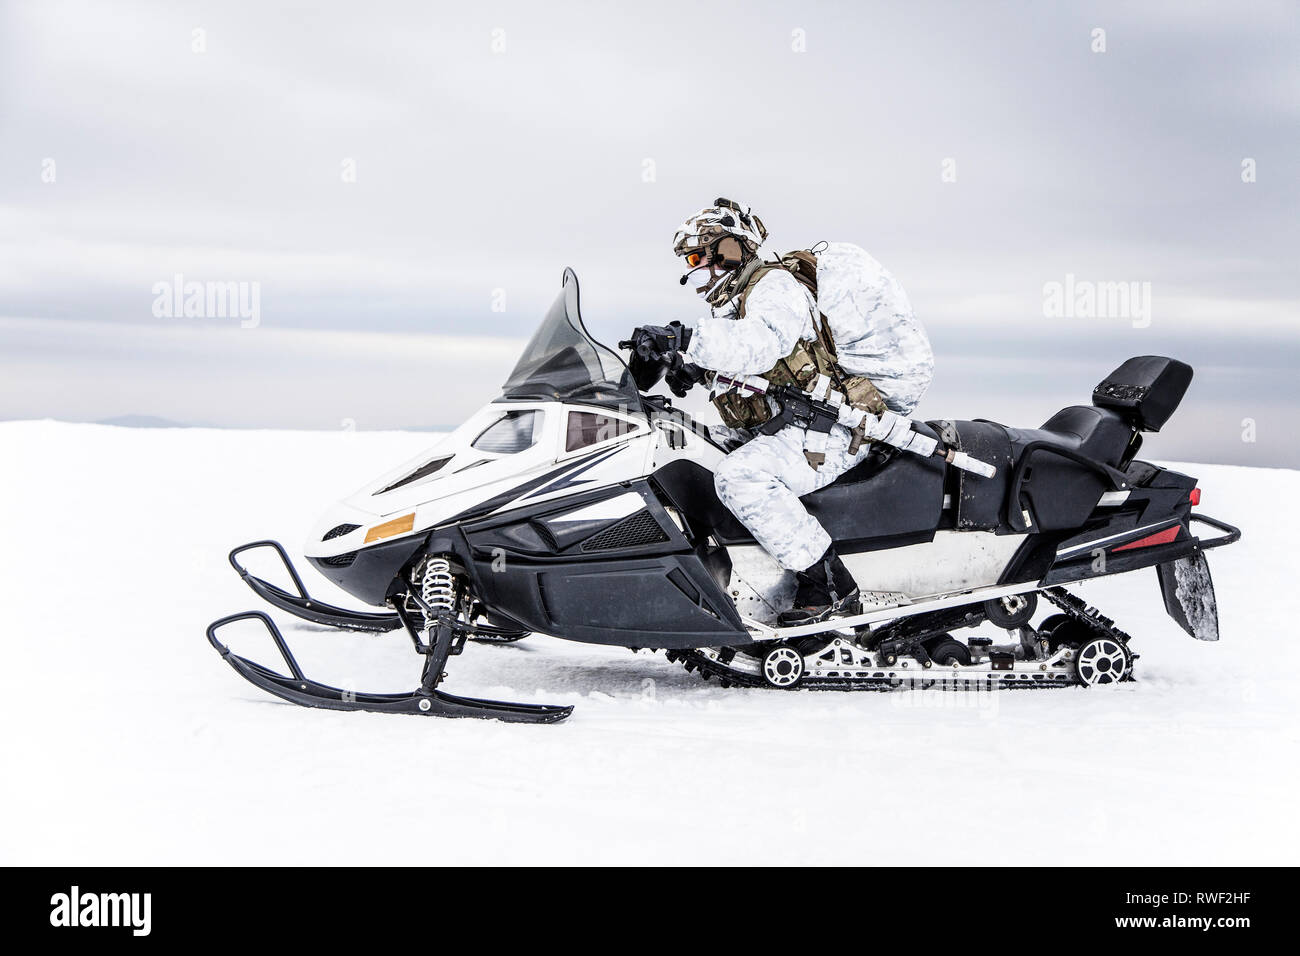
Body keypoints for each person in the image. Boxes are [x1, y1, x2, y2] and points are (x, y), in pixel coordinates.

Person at [629, 198, 934, 625]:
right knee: (692, 448)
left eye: (710, 254)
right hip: (790, 424)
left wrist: (687, 339)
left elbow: (763, 342)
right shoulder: (738, 301)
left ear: (737, 247)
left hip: (831, 430)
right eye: (694, 259)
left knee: (742, 477)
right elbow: (763, 369)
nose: (703, 267)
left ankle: (830, 589)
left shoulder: (773, 287)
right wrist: (688, 368)